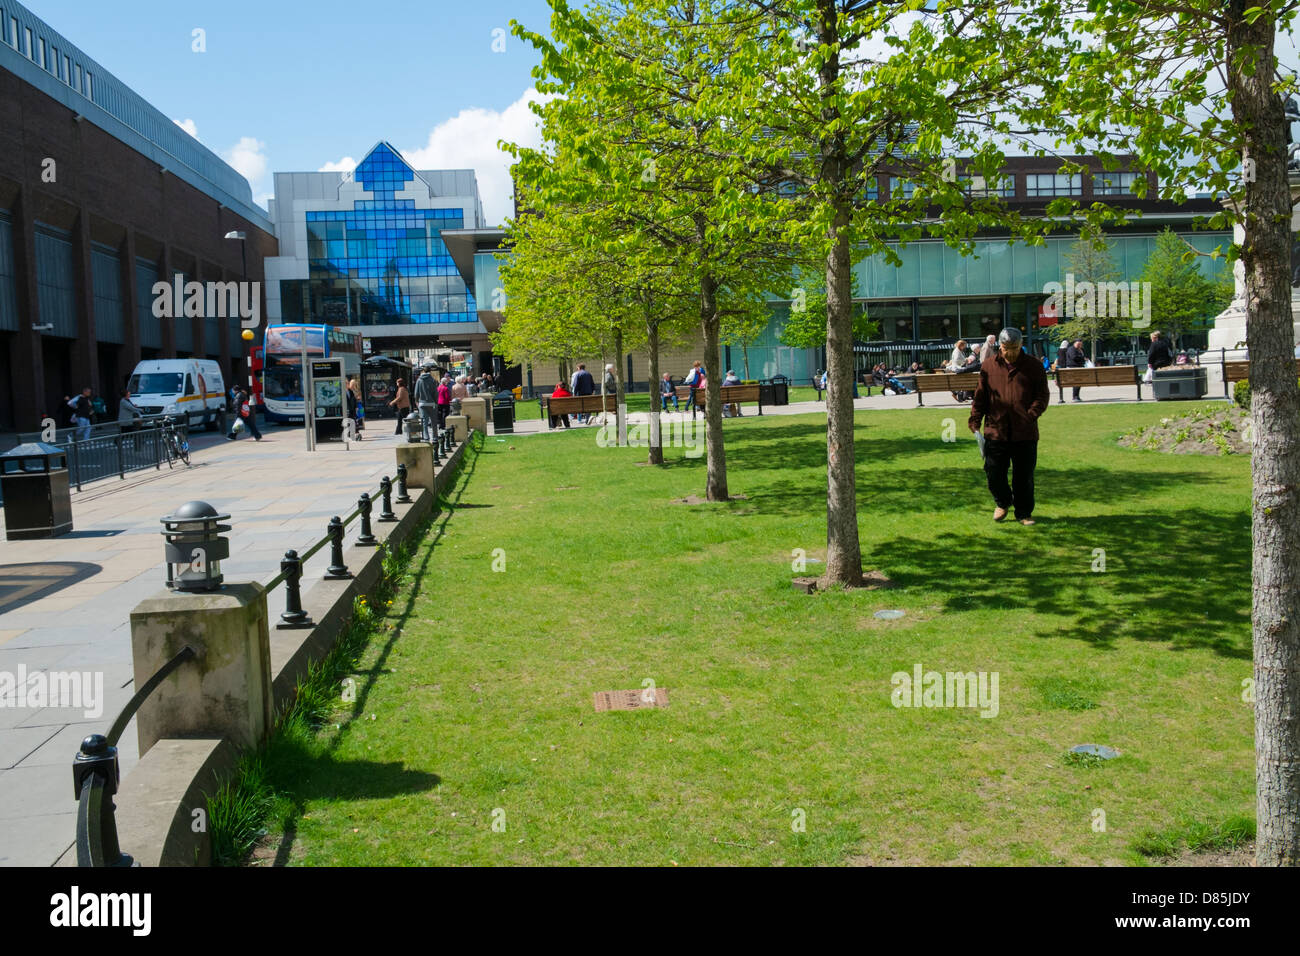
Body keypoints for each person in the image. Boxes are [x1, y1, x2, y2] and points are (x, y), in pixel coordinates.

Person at [969, 327, 1049, 526]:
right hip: (996, 430)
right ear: (1000, 346)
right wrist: (975, 419)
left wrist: (1030, 415)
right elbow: (981, 396)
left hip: (1025, 432)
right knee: (994, 472)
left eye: (1014, 348)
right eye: (1006, 348)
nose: (1009, 352)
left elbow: (1042, 396)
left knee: (1024, 476)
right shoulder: (989, 366)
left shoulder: (1033, 366)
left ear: (1021, 345)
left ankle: (1023, 513)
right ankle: (1002, 502)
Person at [414, 364, 438, 442]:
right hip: (432, 403)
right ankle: (435, 437)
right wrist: (435, 402)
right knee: (433, 421)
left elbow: (416, 393)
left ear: (423, 371)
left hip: (422, 403)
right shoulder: (433, 380)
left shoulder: (419, 380)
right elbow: (435, 393)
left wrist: (417, 401)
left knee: (424, 421)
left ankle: (426, 436)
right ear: (430, 371)